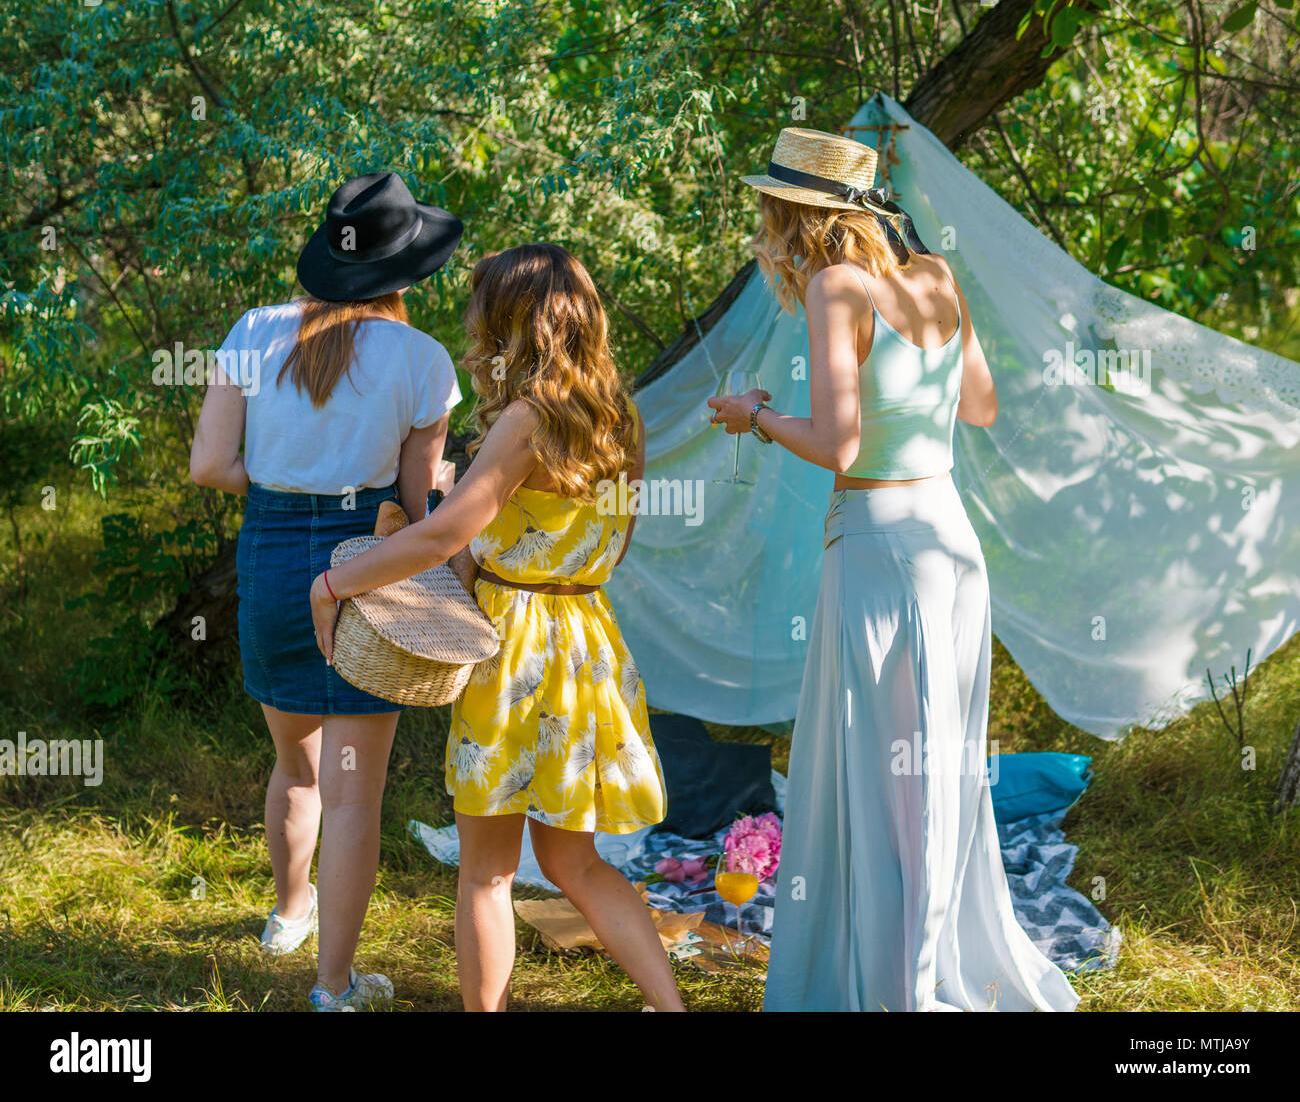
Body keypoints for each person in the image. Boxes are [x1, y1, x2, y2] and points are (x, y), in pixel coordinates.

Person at [710, 127, 1079, 1011]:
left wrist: (751, 415)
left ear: (802, 214)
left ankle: (893, 986)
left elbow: (839, 445)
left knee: (884, 780)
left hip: (880, 545)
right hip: (950, 541)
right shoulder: (935, 279)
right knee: (934, 772)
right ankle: (931, 963)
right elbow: (980, 405)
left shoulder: (838, 287)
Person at [309, 243, 684, 1012]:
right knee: (576, 862)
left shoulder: (525, 418)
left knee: (486, 870)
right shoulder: (621, 414)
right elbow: (616, 533)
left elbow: (441, 540)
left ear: (515, 325)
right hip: (587, 636)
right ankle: (672, 1008)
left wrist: (334, 583)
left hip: (513, 645)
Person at [189, 172, 464, 1010]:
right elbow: (418, 509)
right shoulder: (423, 359)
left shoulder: (252, 329)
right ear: (405, 272)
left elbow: (209, 466)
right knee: (354, 788)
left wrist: (279, 489)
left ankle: (288, 911)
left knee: (294, 763)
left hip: (270, 557)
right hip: (364, 567)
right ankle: (334, 986)